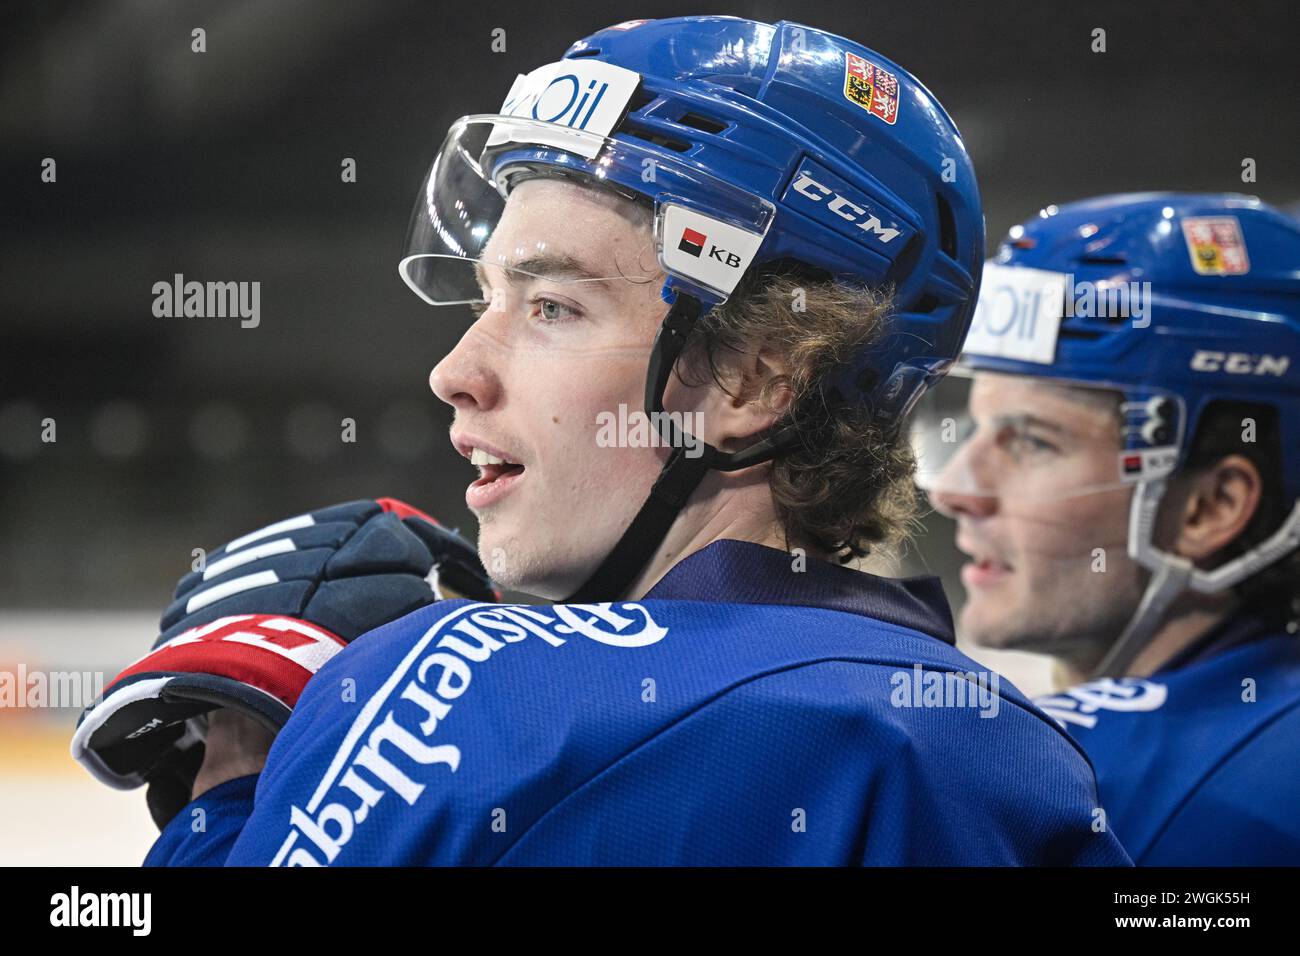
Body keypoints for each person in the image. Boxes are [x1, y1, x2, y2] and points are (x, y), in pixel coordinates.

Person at [74, 16, 1127, 866]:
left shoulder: (462, 689)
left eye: (551, 307)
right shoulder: (1014, 756)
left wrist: (234, 787)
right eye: (486, 296)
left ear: (753, 377)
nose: (454, 371)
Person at [920, 192, 1300, 864]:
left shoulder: (1067, 786)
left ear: (1207, 508)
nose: (956, 490)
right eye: (978, 426)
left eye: (1032, 441)